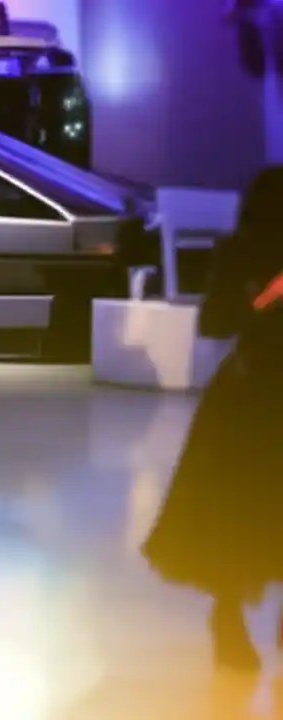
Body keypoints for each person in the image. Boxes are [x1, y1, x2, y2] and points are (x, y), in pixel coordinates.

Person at [143, 167, 283, 670]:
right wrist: (270, 293)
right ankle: (228, 618)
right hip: (252, 397)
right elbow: (217, 321)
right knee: (236, 512)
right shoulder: (240, 253)